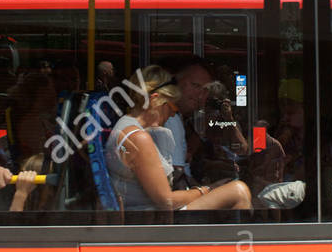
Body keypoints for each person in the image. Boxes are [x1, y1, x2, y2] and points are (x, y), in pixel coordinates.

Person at [105, 66, 251, 211]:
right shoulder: (138, 138)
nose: (172, 115)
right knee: (239, 191)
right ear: (155, 100)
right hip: (152, 222)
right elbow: (166, 200)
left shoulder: (126, 127)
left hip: (147, 215)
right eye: (172, 108)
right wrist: (208, 189)